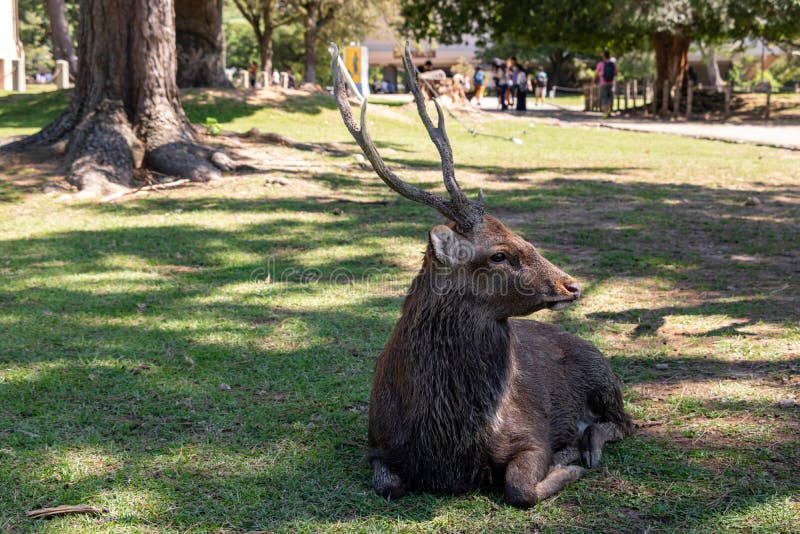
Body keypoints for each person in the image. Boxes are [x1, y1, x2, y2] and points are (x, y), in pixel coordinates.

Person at [595, 51, 616, 115]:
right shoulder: (613, 64)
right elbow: (616, 73)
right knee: (610, 97)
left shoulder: (601, 64)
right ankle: (609, 112)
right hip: (611, 83)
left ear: (604, 56)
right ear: (609, 56)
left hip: (603, 83)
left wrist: (593, 81)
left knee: (604, 97)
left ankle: (605, 113)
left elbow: (596, 73)